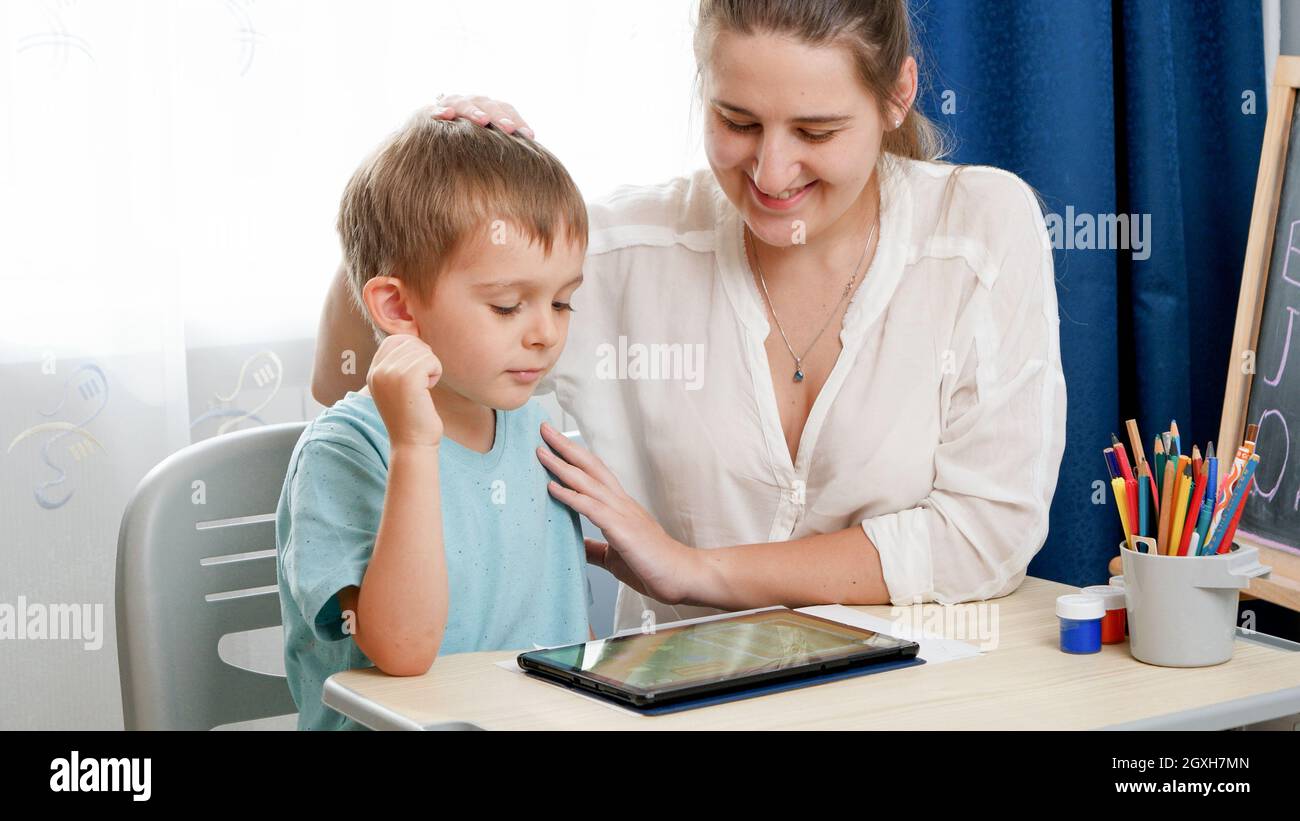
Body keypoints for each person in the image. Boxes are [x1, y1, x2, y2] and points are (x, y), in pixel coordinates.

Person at [312, 0, 1068, 636]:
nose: (771, 174)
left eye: (814, 132)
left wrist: (695, 570)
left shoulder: (979, 232)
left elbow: (983, 538)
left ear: (897, 96)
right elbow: (358, 352)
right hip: (683, 707)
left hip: (921, 697)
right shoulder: (623, 251)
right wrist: (430, 186)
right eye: (737, 120)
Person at [277, 109, 592, 730]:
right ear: (398, 306)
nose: (546, 332)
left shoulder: (534, 429)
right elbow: (402, 649)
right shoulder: (345, 451)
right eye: (507, 306)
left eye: (562, 301)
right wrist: (416, 448)